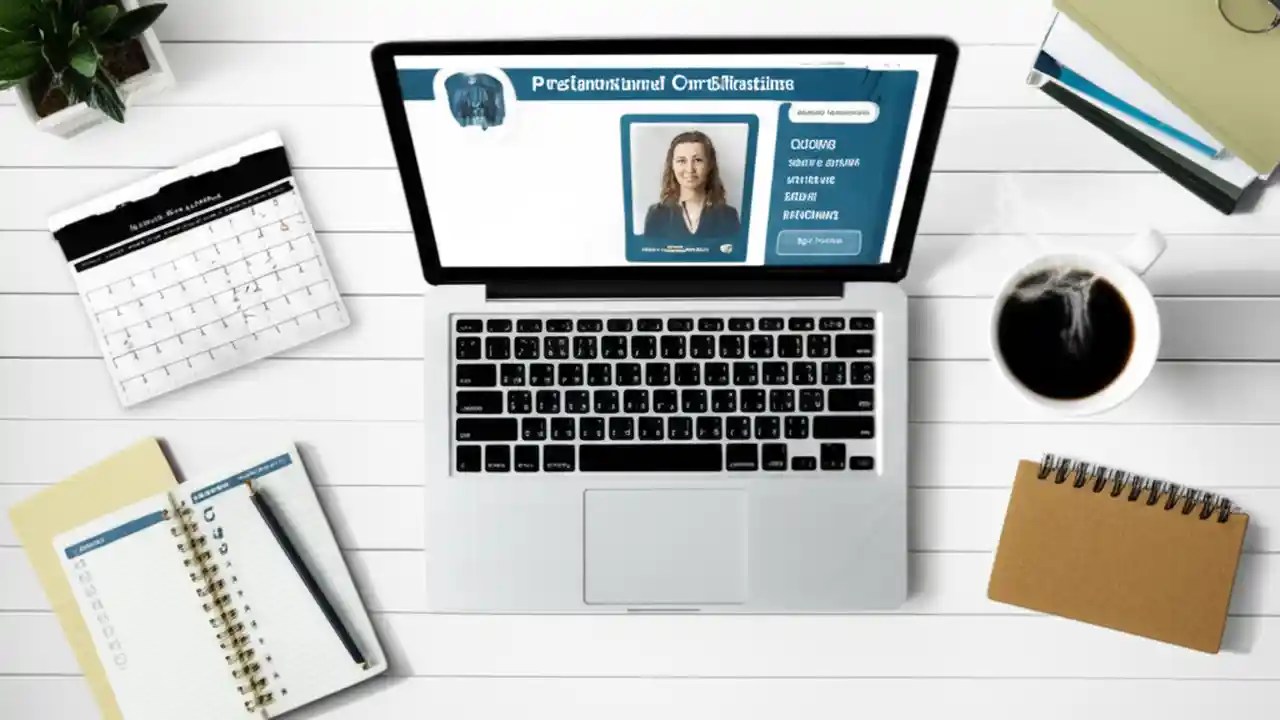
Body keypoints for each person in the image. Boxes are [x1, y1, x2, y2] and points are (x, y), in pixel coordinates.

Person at [642, 130, 741, 239]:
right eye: (681, 161)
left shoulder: (728, 215)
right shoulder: (656, 215)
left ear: (710, 165)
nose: (690, 169)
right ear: (672, 166)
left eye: (698, 160)